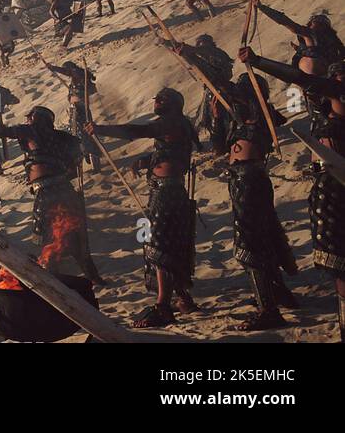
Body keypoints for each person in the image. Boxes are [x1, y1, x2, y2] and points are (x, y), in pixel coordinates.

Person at [239, 45, 344, 338]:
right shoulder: (327, 102)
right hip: (327, 182)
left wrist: (259, 61)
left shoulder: (339, 95)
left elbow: (302, 79)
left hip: (339, 182)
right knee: (338, 263)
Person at [86, 88, 201, 326]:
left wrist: (101, 129)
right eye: (156, 98)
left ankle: (162, 305)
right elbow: (170, 152)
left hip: (167, 191)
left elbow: (135, 131)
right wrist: (145, 161)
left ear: (175, 104)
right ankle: (182, 298)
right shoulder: (175, 125)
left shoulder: (172, 122)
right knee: (164, 242)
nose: (156, 101)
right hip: (165, 189)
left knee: (159, 244)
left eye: (162, 99)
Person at [0, 106, 105, 285]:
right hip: (66, 190)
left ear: (36, 118)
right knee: (75, 236)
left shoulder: (32, 131)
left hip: (47, 192)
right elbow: (78, 153)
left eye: (29, 117)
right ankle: (93, 277)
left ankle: (53, 282)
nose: (27, 121)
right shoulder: (62, 137)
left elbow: (2, 131)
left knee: (48, 239)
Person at [216, 71, 298, 330]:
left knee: (250, 240)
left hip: (248, 178)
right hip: (247, 177)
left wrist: (190, 54)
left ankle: (268, 310)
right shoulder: (254, 114)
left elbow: (225, 86)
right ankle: (277, 291)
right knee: (263, 234)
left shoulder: (257, 109)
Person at [159, 34, 234, 156]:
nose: (201, 46)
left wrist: (189, 50)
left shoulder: (217, 53)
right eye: (199, 43)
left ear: (210, 44)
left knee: (223, 118)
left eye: (203, 43)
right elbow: (189, 55)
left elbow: (204, 53)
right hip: (210, 91)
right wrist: (168, 43)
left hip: (224, 90)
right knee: (208, 119)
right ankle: (217, 143)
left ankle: (224, 142)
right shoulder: (200, 56)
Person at [46, 61, 100, 172]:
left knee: (84, 134)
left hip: (80, 110)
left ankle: (90, 156)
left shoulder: (78, 73)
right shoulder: (78, 76)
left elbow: (68, 71)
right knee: (80, 133)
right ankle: (87, 153)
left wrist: (53, 68)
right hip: (78, 109)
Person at [256, 1, 343, 63]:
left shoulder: (310, 33)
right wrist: (300, 49)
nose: (313, 25)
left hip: (313, 73)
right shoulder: (332, 38)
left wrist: (263, 8)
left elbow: (285, 22)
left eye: (315, 23)